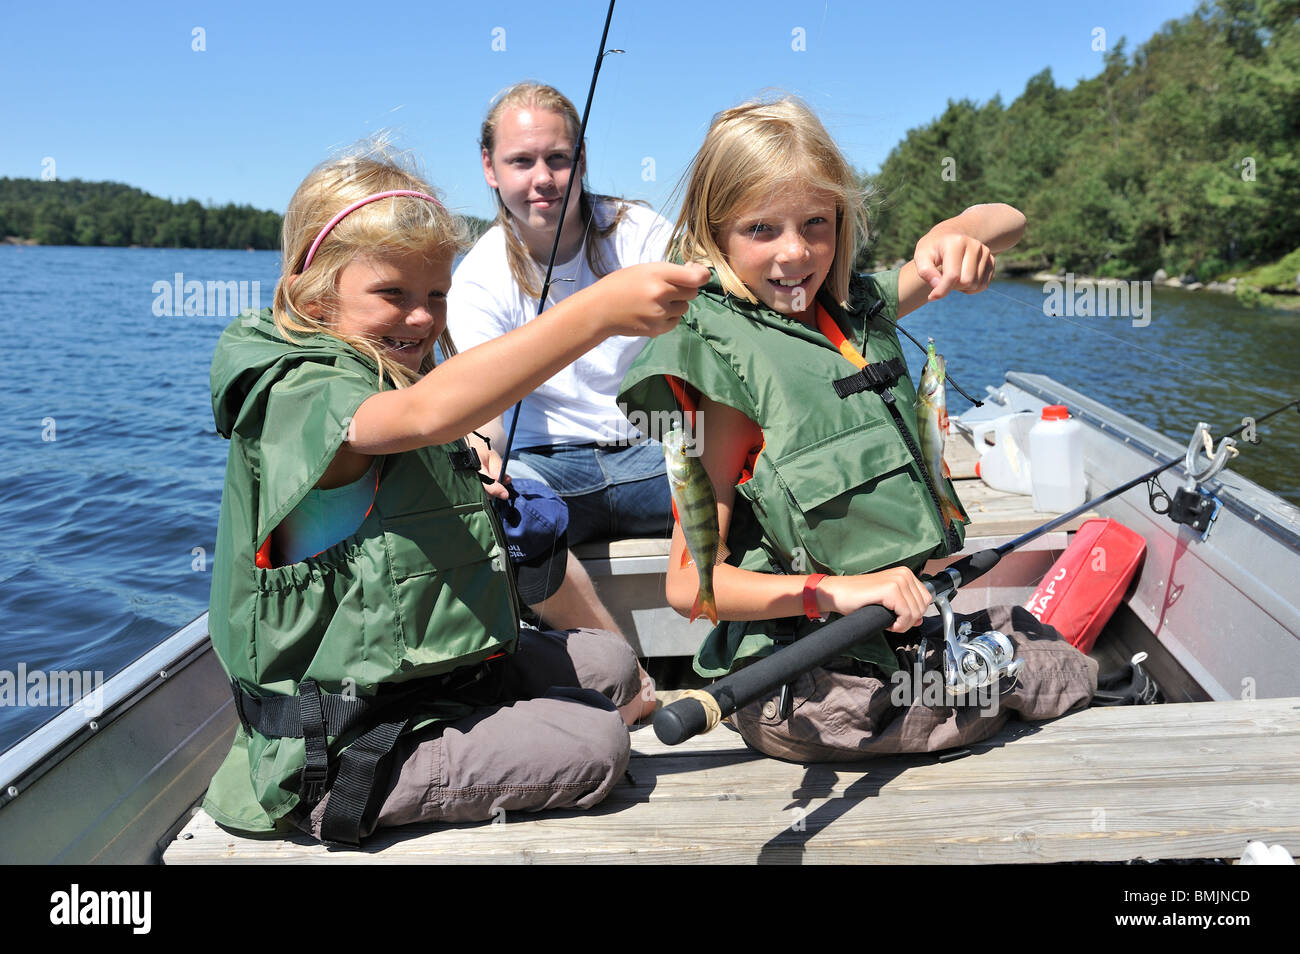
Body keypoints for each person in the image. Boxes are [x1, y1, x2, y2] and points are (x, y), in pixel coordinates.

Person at [201, 145, 709, 845]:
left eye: (436, 295)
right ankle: (342, 795)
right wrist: (595, 313)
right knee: (599, 744)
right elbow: (407, 420)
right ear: (316, 294)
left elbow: (423, 423)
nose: (422, 319)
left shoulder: (392, 377)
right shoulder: (299, 391)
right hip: (340, 740)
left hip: (430, 678)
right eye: (392, 294)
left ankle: (496, 724)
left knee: (612, 664)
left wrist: (463, 467)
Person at [618, 97, 1098, 762]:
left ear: (842, 220)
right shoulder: (726, 373)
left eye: (816, 222)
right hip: (805, 674)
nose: (795, 252)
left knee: (1032, 646)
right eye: (761, 229)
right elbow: (688, 587)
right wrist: (833, 592)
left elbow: (1009, 222)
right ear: (715, 232)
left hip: (894, 631)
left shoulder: (852, 309)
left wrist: (955, 233)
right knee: (1057, 669)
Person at [448, 83, 674, 659]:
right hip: (550, 471)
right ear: (489, 168)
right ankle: (619, 668)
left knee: (764, 473)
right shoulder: (477, 278)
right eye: (521, 161)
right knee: (492, 505)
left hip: (659, 453)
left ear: (581, 160)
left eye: (558, 158)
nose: (542, 178)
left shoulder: (642, 234)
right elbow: (485, 407)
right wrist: (481, 451)